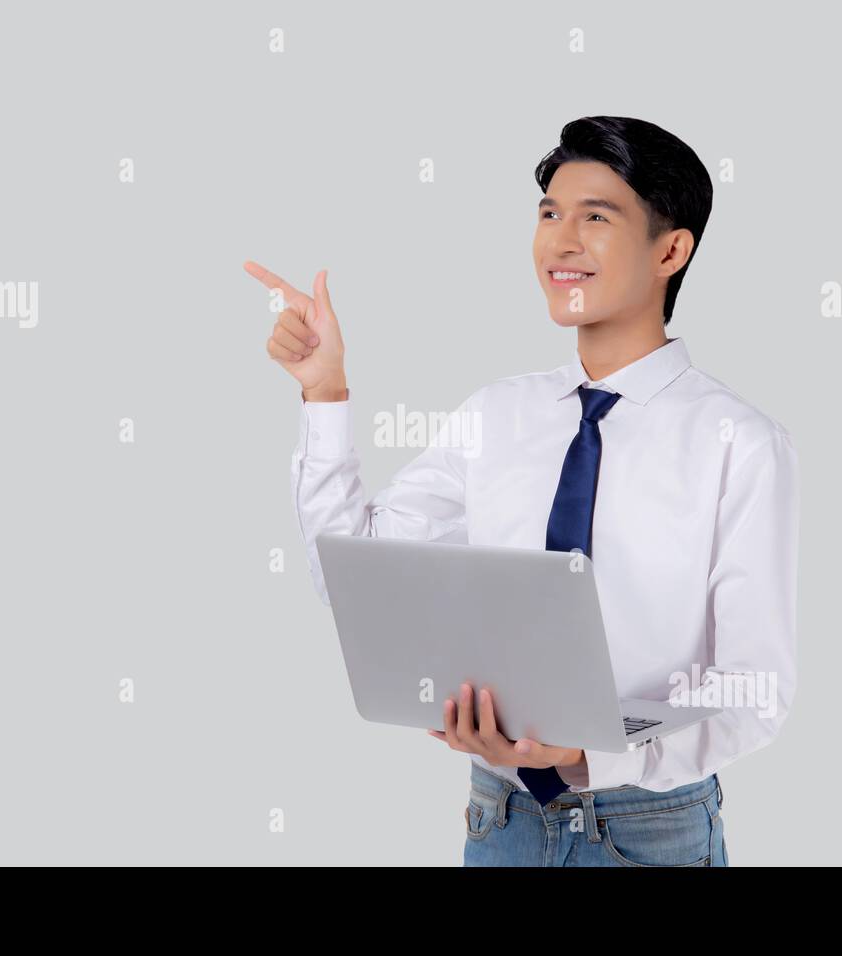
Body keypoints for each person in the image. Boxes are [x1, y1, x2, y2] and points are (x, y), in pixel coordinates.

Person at [245, 116, 800, 867]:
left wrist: (588, 756)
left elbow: (754, 690)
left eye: (595, 218)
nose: (560, 242)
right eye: (549, 214)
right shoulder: (496, 415)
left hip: (648, 830)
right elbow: (350, 577)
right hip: (499, 822)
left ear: (670, 251)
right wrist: (325, 393)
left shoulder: (741, 442)